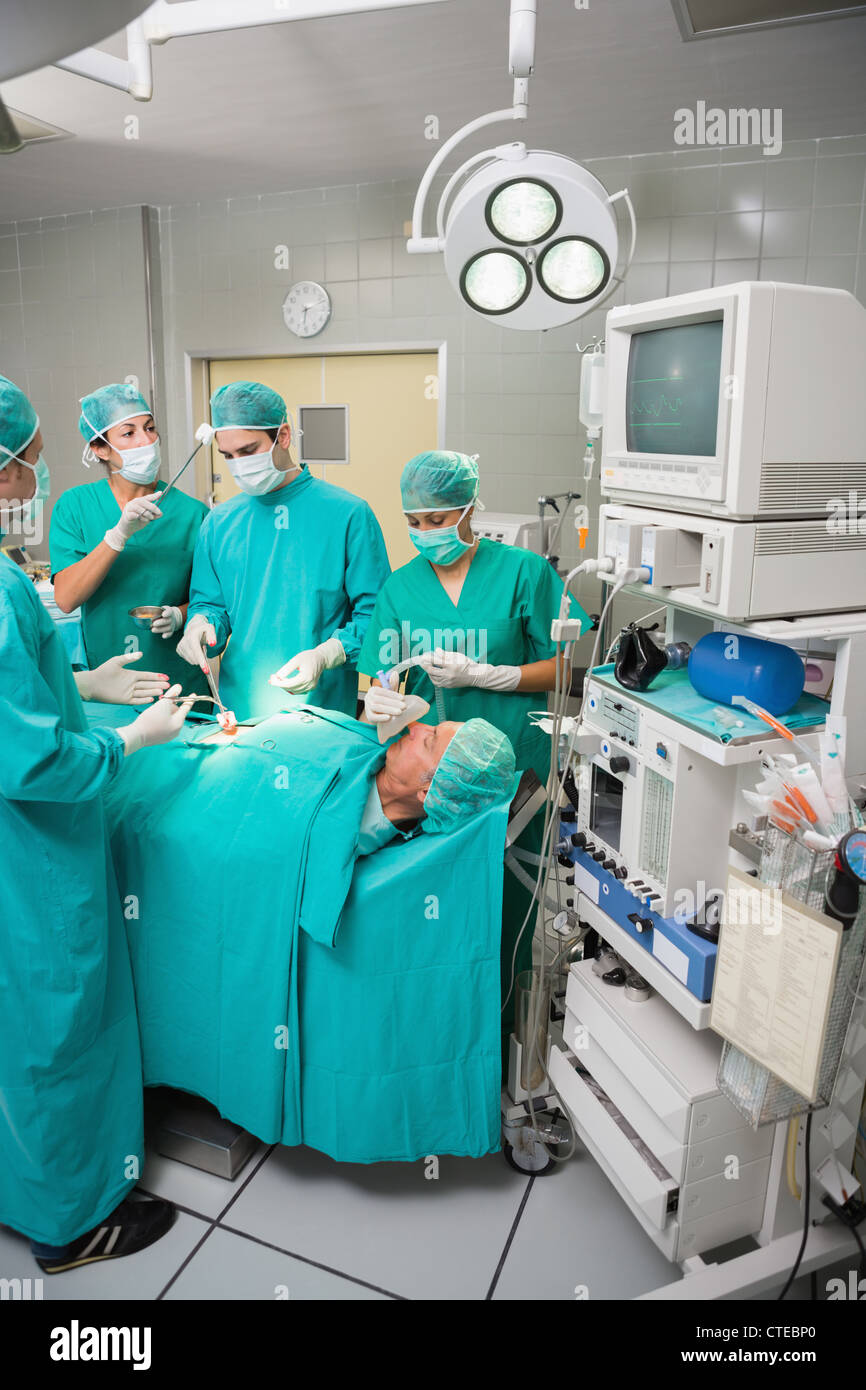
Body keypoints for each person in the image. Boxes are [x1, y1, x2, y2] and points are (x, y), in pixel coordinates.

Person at [0, 375, 196, 1274]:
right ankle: (72, 1221)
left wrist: (82, 686)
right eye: (28, 462)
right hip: (29, 846)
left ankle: (23, 1181)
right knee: (55, 1017)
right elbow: (32, 758)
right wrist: (126, 744)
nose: (30, 480)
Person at [357, 450, 591, 1066]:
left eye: (437, 517)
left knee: (515, 902)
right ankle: (446, 1041)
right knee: (443, 901)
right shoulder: (401, 587)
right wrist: (380, 698)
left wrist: (496, 675)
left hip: (519, 767)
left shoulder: (524, 573)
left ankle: (512, 1039)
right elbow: (378, 677)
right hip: (435, 780)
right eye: (414, 519)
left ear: (468, 509)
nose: (426, 530)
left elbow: (569, 666)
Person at [177, 380, 390, 720]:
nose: (238, 465)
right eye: (227, 456)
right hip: (242, 710)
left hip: (322, 711)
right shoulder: (219, 524)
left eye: (248, 451)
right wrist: (200, 624)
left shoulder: (348, 514)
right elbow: (212, 605)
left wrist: (327, 654)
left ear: (284, 436)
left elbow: (379, 615)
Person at [50, 382, 209, 692]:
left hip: (177, 680)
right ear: (100, 448)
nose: (146, 440)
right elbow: (66, 599)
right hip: (108, 682)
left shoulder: (193, 513)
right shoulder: (75, 505)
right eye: (128, 433)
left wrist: (180, 614)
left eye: (150, 428)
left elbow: (214, 601)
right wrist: (117, 537)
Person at [357, 715, 516, 856]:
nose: (415, 726)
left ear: (427, 792)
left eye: (428, 742)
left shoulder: (353, 835)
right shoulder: (376, 750)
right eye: (433, 728)